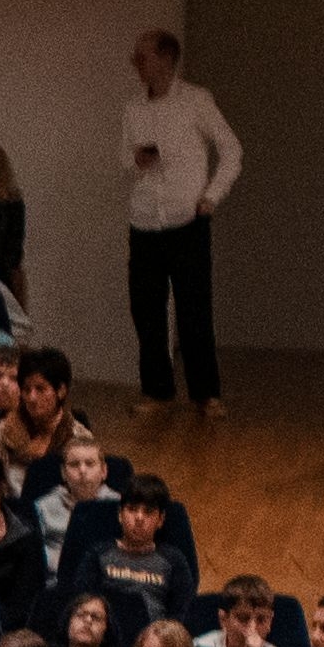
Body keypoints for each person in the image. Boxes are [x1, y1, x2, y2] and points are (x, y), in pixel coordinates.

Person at [113, 23, 243, 416]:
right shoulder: (133, 107)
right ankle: (157, 390)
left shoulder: (196, 101)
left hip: (188, 218)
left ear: (166, 59)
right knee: (146, 308)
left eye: (143, 56)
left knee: (194, 309)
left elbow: (232, 150)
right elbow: (122, 157)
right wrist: (135, 159)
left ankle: (206, 393)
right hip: (145, 220)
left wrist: (211, 197)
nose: (136, 63)